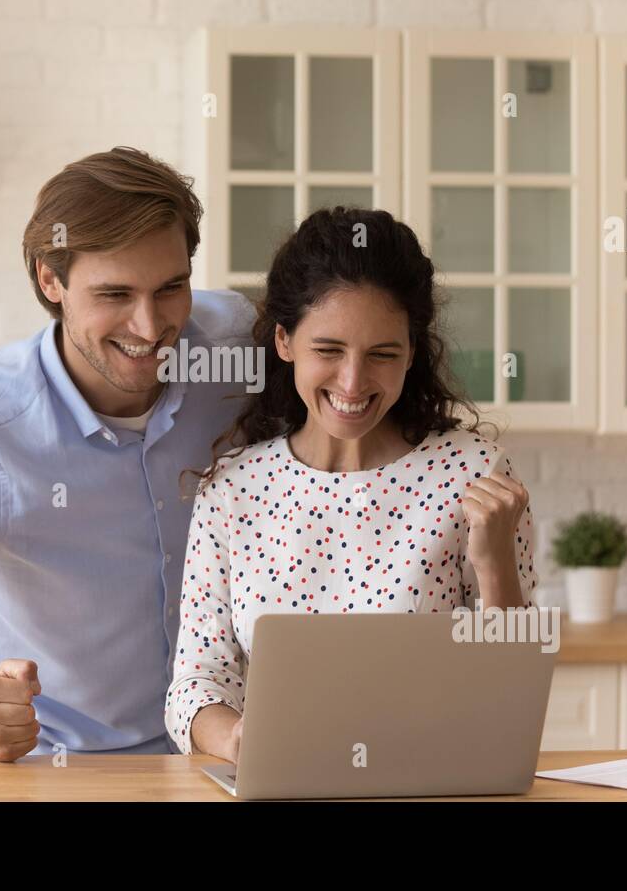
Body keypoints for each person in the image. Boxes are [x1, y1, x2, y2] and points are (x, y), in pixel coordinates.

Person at [0, 147, 255, 760]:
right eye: (114, 294)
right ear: (49, 280)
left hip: (226, 758)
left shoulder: (239, 349)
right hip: (59, 772)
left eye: (171, 287)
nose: (149, 327)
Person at [164, 207, 539, 762]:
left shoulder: (476, 475)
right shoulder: (234, 488)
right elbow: (197, 682)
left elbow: (513, 699)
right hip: (282, 790)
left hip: (432, 790)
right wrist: (238, 740)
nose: (353, 382)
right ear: (285, 341)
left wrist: (494, 565)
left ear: (412, 351)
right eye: (328, 350)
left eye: (382, 354)